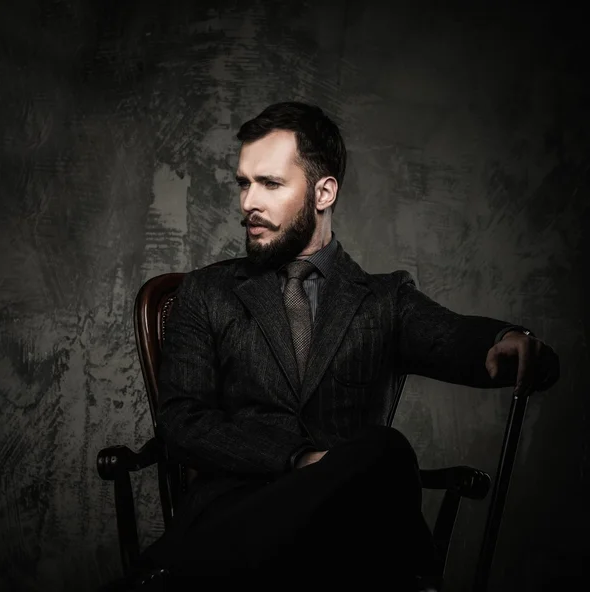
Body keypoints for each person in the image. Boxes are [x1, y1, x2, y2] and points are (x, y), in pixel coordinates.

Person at [120, 102, 560, 591]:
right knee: (385, 463)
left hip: (344, 540)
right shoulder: (208, 292)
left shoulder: (384, 300)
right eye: (243, 183)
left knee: (382, 455)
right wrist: (300, 460)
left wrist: (506, 339)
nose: (248, 203)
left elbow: (454, 337)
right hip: (238, 517)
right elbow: (182, 425)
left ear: (323, 191)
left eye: (270, 183)